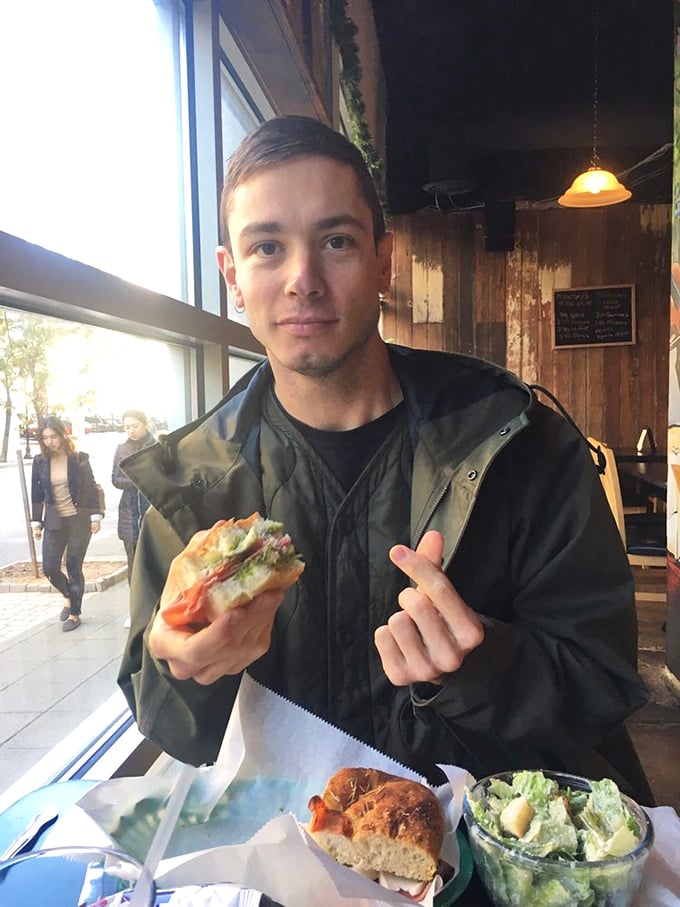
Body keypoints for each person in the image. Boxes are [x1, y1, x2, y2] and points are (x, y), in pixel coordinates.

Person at [118, 115, 654, 805]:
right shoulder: (191, 484)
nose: (303, 279)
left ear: (384, 260)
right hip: (286, 843)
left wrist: (482, 668)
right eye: (267, 247)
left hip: (484, 843)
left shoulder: (521, 445)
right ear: (233, 276)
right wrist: (186, 670)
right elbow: (173, 730)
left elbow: (605, 679)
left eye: (336, 241)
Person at [30, 416, 103, 631]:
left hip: (79, 519)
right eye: (45, 438)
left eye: (53, 436)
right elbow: (37, 494)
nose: (49, 441)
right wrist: (37, 523)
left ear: (62, 435)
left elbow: (91, 487)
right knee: (50, 568)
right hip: (54, 520)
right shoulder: (39, 461)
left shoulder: (78, 459)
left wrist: (95, 516)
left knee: (73, 565)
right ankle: (69, 596)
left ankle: (75, 613)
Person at [112, 409, 156, 585]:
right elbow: (116, 479)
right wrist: (138, 480)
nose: (131, 430)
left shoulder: (156, 447)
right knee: (134, 566)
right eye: (127, 427)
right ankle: (135, 601)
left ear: (145, 424)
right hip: (129, 514)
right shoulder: (122, 449)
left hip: (152, 511)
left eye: (135, 426)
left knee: (154, 565)